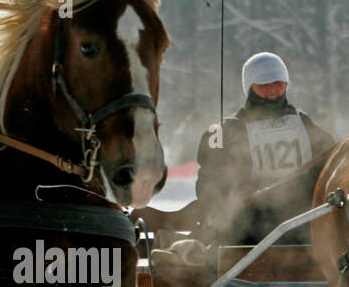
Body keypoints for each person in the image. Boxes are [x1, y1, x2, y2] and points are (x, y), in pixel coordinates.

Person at [136, 52, 337, 246]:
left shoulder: (303, 124)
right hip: (247, 230)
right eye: (264, 85)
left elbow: (333, 160)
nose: (273, 91)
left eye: (278, 84)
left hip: (301, 224)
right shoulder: (225, 131)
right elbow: (209, 188)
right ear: (249, 87)